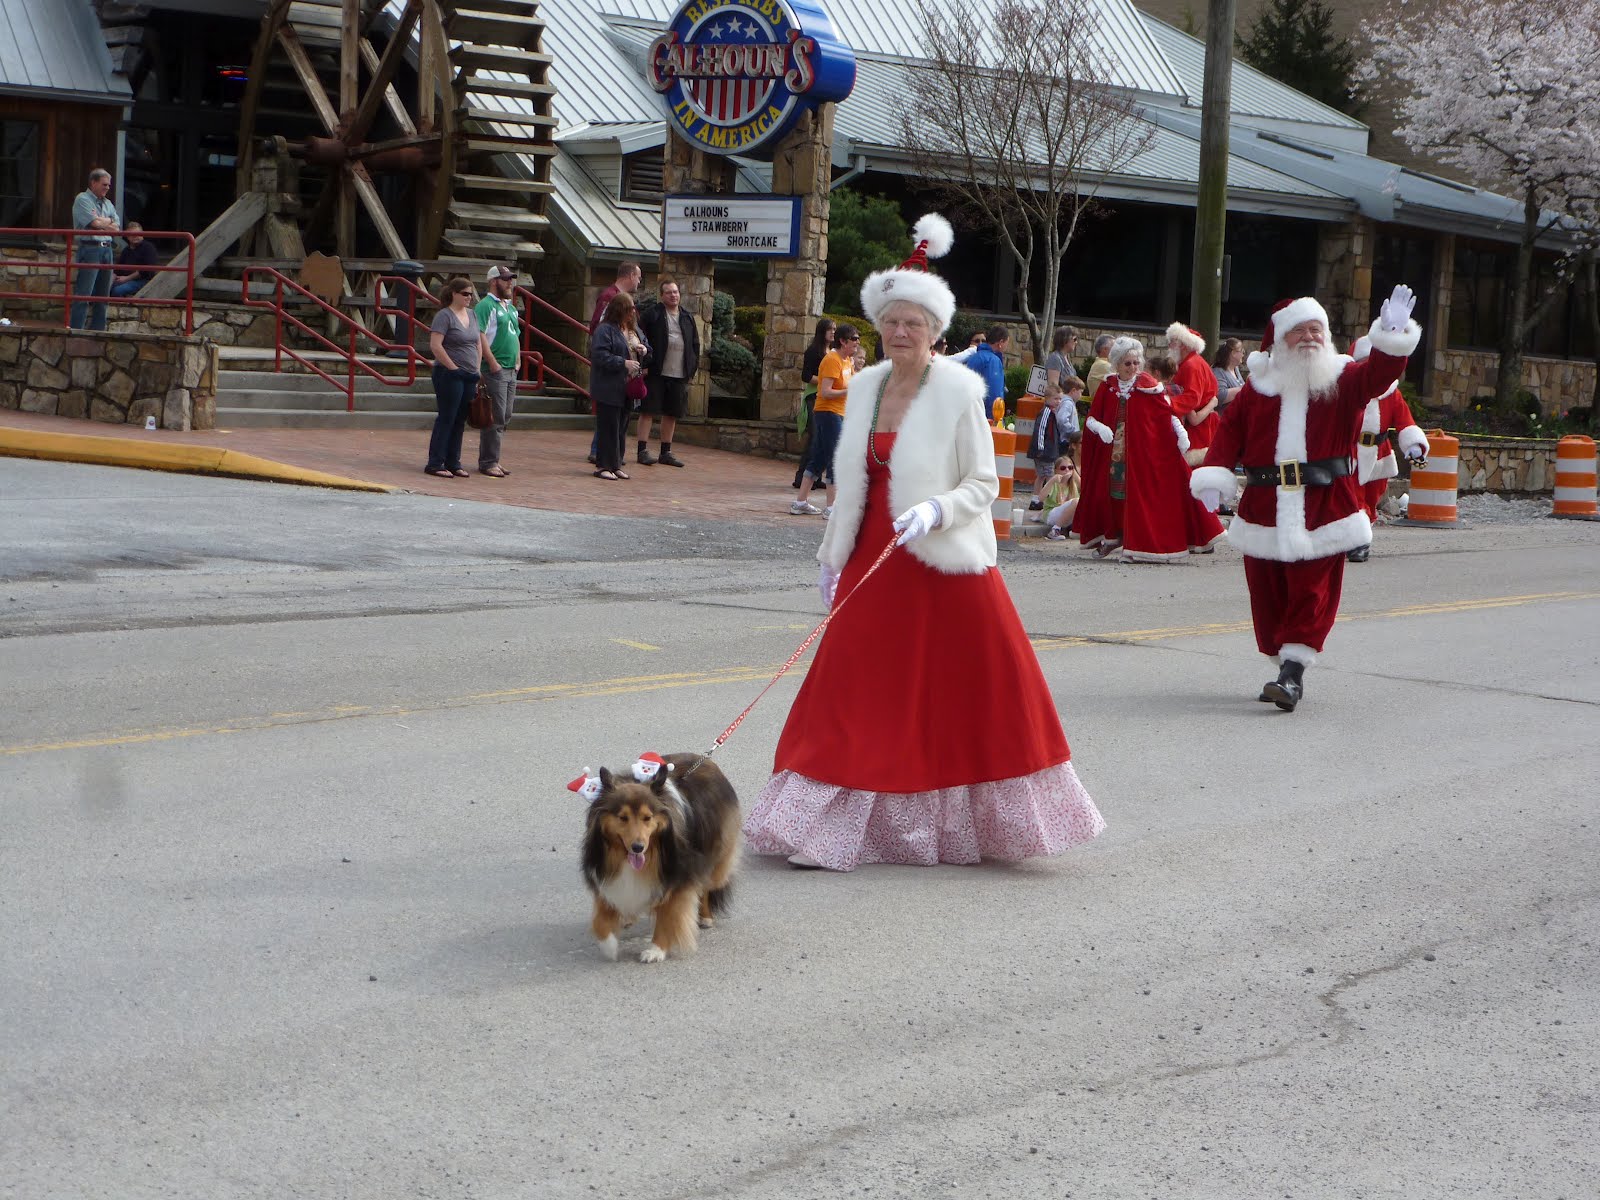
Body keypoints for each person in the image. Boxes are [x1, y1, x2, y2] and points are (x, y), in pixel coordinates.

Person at [743, 213, 1104, 871]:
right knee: (850, 689)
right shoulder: (864, 389)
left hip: (943, 559)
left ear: (936, 332)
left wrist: (938, 507)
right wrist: (832, 555)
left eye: (915, 323)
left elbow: (983, 482)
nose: (901, 332)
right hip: (872, 560)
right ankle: (825, 828)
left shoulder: (958, 392)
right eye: (892, 321)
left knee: (969, 693)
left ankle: (970, 825)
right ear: (878, 326)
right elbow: (847, 482)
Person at [1190, 285, 1420, 710]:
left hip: (1324, 505)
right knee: (1268, 593)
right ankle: (1282, 664)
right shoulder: (1257, 389)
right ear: (1280, 339)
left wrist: (1392, 335)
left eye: (1318, 329)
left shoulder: (1344, 378)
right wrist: (1214, 475)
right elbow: (1229, 435)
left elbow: (1380, 376)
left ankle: (1293, 673)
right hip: (1263, 506)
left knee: (1312, 591)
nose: (1311, 336)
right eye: (1301, 330)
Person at [1347, 335, 1429, 562]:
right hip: (1350, 453)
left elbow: (1405, 422)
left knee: (1371, 499)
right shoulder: (1347, 388)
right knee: (1353, 499)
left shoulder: (1391, 393)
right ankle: (1358, 542)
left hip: (1378, 453)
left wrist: (1414, 446)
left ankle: (1363, 533)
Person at [425, 276, 492, 479]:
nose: (469, 298)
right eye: (465, 294)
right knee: (447, 417)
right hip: (449, 373)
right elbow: (435, 345)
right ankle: (436, 462)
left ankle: (454, 462)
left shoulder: (472, 315)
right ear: (453, 294)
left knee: (461, 419)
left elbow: (477, 342)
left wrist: (477, 367)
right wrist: (453, 368)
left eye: (471, 294)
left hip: (470, 374)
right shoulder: (444, 316)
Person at [791, 323, 859, 516]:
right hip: (828, 413)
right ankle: (831, 507)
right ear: (843, 341)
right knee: (835, 457)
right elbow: (825, 391)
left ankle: (800, 502)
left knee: (819, 457)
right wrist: (849, 390)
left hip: (838, 413)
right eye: (854, 338)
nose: (857, 342)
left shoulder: (847, 362)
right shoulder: (832, 360)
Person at [637, 278, 699, 468]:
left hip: (679, 373)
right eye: (669, 292)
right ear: (662, 296)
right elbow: (640, 337)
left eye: (675, 292)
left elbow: (695, 345)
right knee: (648, 410)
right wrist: (644, 364)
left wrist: (691, 369)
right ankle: (642, 450)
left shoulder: (687, 317)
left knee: (672, 413)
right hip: (656, 371)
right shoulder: (652, 315)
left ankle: (666, 452)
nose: (673, 295)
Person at [586, 261, 642, 463]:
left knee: (619, 420)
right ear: (629, 276)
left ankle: (614, 459)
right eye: (638, 276)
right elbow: (597, 334)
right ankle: (601, 456)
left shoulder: (627, 322)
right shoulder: (609, 299)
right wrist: (622, 361)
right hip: (610, 376)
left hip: (622, 379)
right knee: (608, 418)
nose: (639, 281)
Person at [588, 292, 647, 481]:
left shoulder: (632, 330)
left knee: (621, 427)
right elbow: (599, 355)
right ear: (619, 310)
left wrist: (644, 350)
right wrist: (623, 363)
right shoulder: (605, 330)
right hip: (608, 387)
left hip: (627, 388)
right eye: (629, 310)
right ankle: (604, 465)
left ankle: (616, 463)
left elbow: (648, 346)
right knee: (608, 427)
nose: (632, 313)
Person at [474, 264, 520, 478]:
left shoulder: (510, 306)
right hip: (496, 367)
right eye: (505, 279)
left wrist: (518, 358)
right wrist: (491, 361)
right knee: (495, 415)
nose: (510, 282)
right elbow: (480, 334)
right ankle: (488, 461)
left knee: (506, 414)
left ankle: (494, 458)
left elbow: (515, 334)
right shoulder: (485, 305)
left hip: (511, 367)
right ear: (494, 281)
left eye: (511, 279)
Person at [70, 169, 120, 331]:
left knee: (103, 295)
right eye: (104, 184)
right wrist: (107, 222)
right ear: (93, 182)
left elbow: (117, 229)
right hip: (90, 249)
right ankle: (77, 330)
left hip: (107, 250)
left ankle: (98, 330)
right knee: (84, 293)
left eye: (109, 185)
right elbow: (94, 224)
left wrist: (101, 222)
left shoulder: (108, 203)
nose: (107, 188)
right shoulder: (82, 199)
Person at [1167, 322, 1219, 467]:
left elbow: (1192, 398)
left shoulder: (1191, 365)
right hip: (1199, 424)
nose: (1169, 346)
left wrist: (1166, 402)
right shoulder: (1191, 363)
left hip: (1199, 431)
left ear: (1183, 345)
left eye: (1172, 342)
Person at [1026, 378, 1080, 513]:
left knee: (1042, 475)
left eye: (1060, 399)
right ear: (1047, 398)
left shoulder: (1052, 412)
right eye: (1056, 399)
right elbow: (1040, 430)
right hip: (1045, 451)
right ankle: (1049, 499)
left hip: (1048, 450)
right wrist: (1040, 448)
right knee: (1051, 475)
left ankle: (1036, 499)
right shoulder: (1046, 413)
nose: (1058, 402)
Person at [793, 318, 836, 488]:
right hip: (814, 397)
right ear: (821, 331)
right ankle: (801, 477)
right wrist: (825, 382)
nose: (833, 332)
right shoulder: (813, 351)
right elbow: (806, 376)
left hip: (829, 398)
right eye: (829, 329)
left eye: (834, 329)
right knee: (815, 437)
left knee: (825, 439)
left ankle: (816, 477)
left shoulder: (833, 352)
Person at [964, 324, 1009, 420]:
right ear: (1001, 342)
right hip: (986, 418)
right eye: (1006, 343)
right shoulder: (993, 361)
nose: (1006, 347)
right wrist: (996, 420)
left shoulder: (974, 357)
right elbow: (994, 394)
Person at [109, 223, 159, 298]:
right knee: (104, 288)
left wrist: (126, 278)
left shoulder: (148, 248)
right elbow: (117, 269)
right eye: (132, 234)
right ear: (127, 236)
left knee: (117, 291)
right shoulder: (126, 250)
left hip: (143, 280)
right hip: (126, 279)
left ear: (142, 234)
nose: (135, 236)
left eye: (138, 233)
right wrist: (110, 281)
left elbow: (146, 271)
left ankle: (123, 308)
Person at [1042, 454, 1080, 541]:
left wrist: (1075, 475)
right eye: (1063, 468)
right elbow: (1041, 498)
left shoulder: (1072, 485)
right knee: (1076, 502)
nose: (1067, 470)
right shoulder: (1054, 483)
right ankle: (1055, 530)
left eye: (1070, 468)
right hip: (1050, 515)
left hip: (1065, 516)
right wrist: (1051, 481)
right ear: (1056, 470)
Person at [1212, 337, 1246, 408]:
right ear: (1233, 353)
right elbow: (1220, 396)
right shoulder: (1218, 371)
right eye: (1241, 350)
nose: (1243, 353)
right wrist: (1245, 388)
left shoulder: (1235, 368)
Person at [1043, 325, 1078, 390]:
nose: (1076, 342)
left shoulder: (1067, 358)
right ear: (1065, 339)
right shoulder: (1055, 358)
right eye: (1074, 339)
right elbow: (1053, 387)